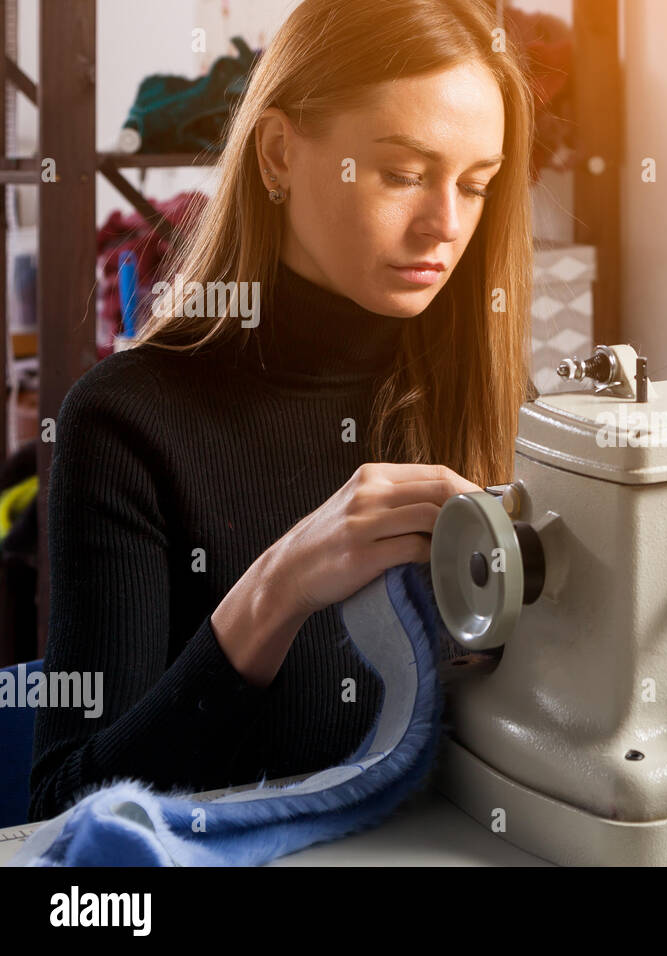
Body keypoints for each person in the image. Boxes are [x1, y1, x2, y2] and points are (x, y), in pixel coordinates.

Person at [28, 0, 540, 823]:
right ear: (278, 154)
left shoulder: (487, 399)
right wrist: (279, 587)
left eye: (475, 184)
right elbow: (64, 813)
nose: (446, 224)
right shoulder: (125, 425)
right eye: (404, 175)